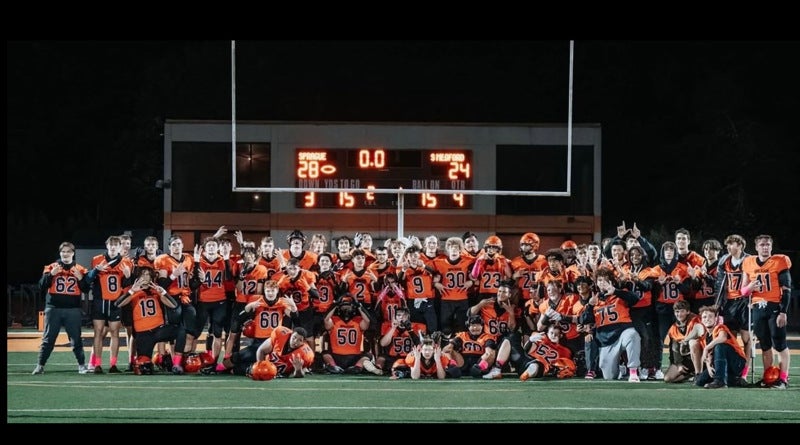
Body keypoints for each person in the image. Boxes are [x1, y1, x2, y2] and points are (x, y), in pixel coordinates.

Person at [740, 234, 792, 389]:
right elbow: (743, 291)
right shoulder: (748, 263)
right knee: (765, 345)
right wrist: (750, 288)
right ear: (756, 247)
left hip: (774, 307)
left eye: (768, 244)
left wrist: (783, 311)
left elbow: (787, 289)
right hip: (757, 307)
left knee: (780, 344)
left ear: (771, 246)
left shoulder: (779, 261)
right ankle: (768, 377)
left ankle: (783, 379)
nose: (765, 247)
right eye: (762, 244)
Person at [33, 242, 90, 375]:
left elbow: (86, 289)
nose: (65, 254)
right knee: (48, 339)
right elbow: (41, 286)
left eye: (68, 252)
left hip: (73, 309)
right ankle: (40, 365)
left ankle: (81, 365)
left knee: (76, 339)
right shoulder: (51, 267)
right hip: (53, 308)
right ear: (60, 253)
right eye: (63, 252)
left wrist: (81, 278)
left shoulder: (80, 269)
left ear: (73, 253)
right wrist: (51, 275)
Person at [114, 266, 185, 375]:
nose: (145, 277)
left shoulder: (156, 290)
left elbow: (174, 305)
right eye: (143, 274)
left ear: (151, 277)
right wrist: (132, 291)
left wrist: (164, 292)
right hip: (143, 333)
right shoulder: (132, 290)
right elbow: (118, 304)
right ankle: (153, 360)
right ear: (138, 277)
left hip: (159, 330)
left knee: (181, 330)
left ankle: (176, 364)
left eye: (148, 275)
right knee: (144, 365)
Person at [578, 268, 642, 382]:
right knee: (609, 376)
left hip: (623, 332)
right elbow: (583, 320)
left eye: (605, 280)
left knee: (633, 335)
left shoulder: (620, 294)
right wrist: (590, 306)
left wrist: (616, 292)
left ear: (611, 281)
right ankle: (621, 370)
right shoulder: (594, 299)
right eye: (599, 280)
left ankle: (633, 371)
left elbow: (635, 298)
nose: (602, 282)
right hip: (606, 339)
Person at [86, 235, 134, 373]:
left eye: (116, 245)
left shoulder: (126, 262)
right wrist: (95, 270)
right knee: (98, 333)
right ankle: (97, 364)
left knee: (115, 333)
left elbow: (126, 285)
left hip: (115, 302)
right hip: (100, 301)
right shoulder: (97, 260)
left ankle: (113, 364)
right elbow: (88, 280)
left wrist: (128, 276)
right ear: (107, 246)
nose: (113, 247)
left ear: (120, 247)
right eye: (111, 244)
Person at [715, 234, 753, 380]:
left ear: (740, 245)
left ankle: (744, 372)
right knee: (730, 337)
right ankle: (733, 369)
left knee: (746, 338)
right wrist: (718, 304)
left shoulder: (749, 260)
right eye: (728, 245)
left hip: (744, 302)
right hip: (729, 302)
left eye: (732, 244)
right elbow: (719, 283)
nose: (729, 247)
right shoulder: (724, 260)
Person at [696, 305, 748, 389]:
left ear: (716, 318)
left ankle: (720, 381)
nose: (707, 319)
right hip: (722, 364)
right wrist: (709, 367)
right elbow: (708, 356)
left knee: (719, 346)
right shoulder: (703, 337)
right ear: (701, 320)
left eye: (710, 316)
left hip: (736, 363)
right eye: (704, 317)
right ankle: (735, 380)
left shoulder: (720, 327)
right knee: (700, 381)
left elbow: (722, 338)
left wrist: (706, 348)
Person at [663, 300, 704, 383]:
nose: (679, 314)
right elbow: (673, 349)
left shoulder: (696, 320)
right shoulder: (673, 328)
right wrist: (678, 364)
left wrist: (686, 340)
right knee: (668, 378)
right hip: (685, 359)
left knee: (693, 343)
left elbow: (700, 330)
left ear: (688, 311)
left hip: (700, 356)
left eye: (682, 311)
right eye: (677, 312)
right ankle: (689, 375)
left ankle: (698, 374)